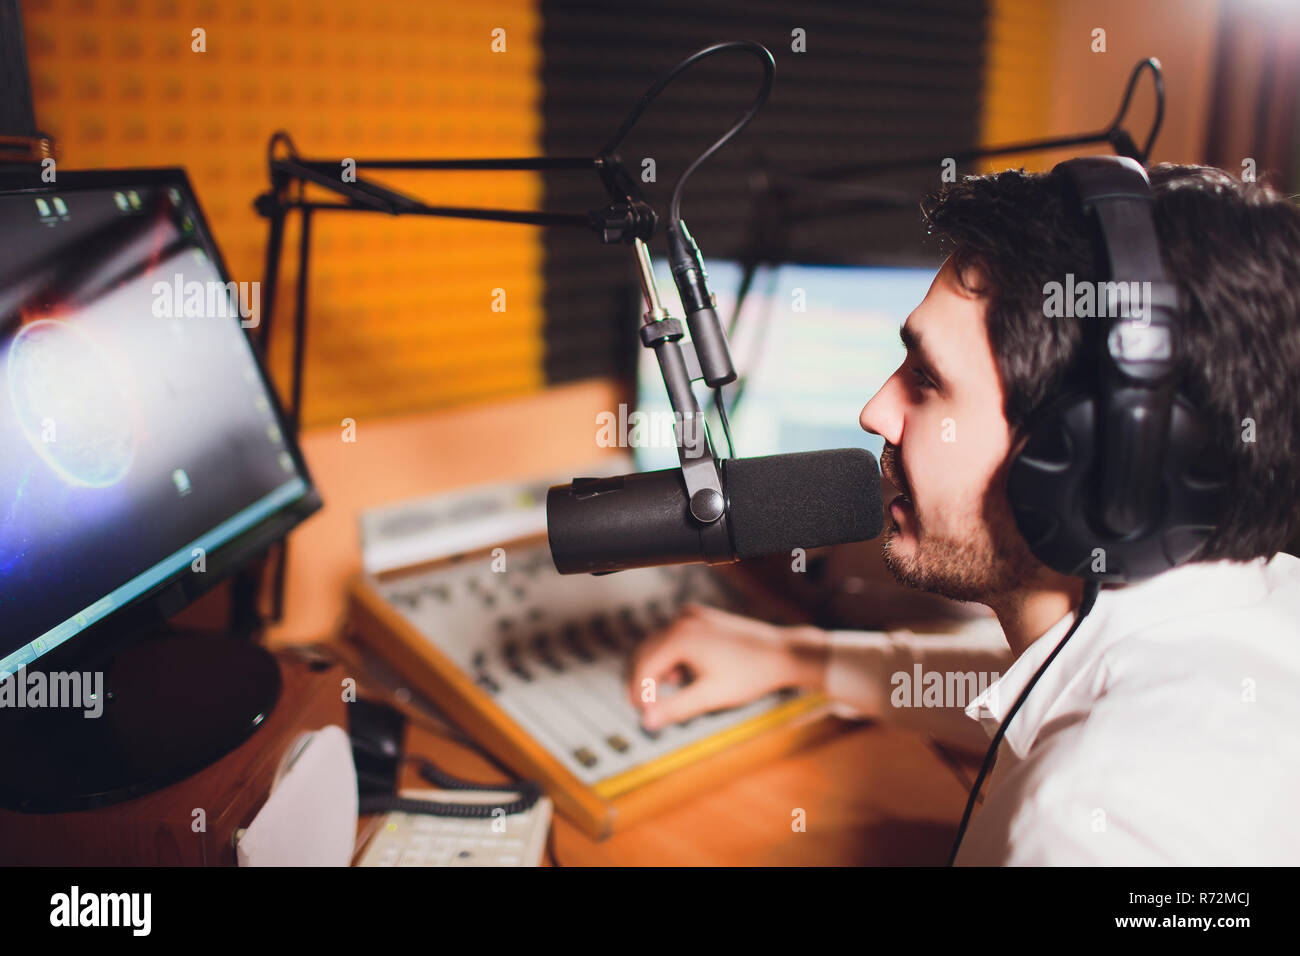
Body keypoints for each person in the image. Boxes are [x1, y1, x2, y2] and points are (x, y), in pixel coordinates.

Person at [627, 163, 1300, 865]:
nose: (875, 413)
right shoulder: (1266, 598)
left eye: (927, 379)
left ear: (1092, 461)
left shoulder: (1093, 827)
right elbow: (1042, 684)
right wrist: (795, 657)